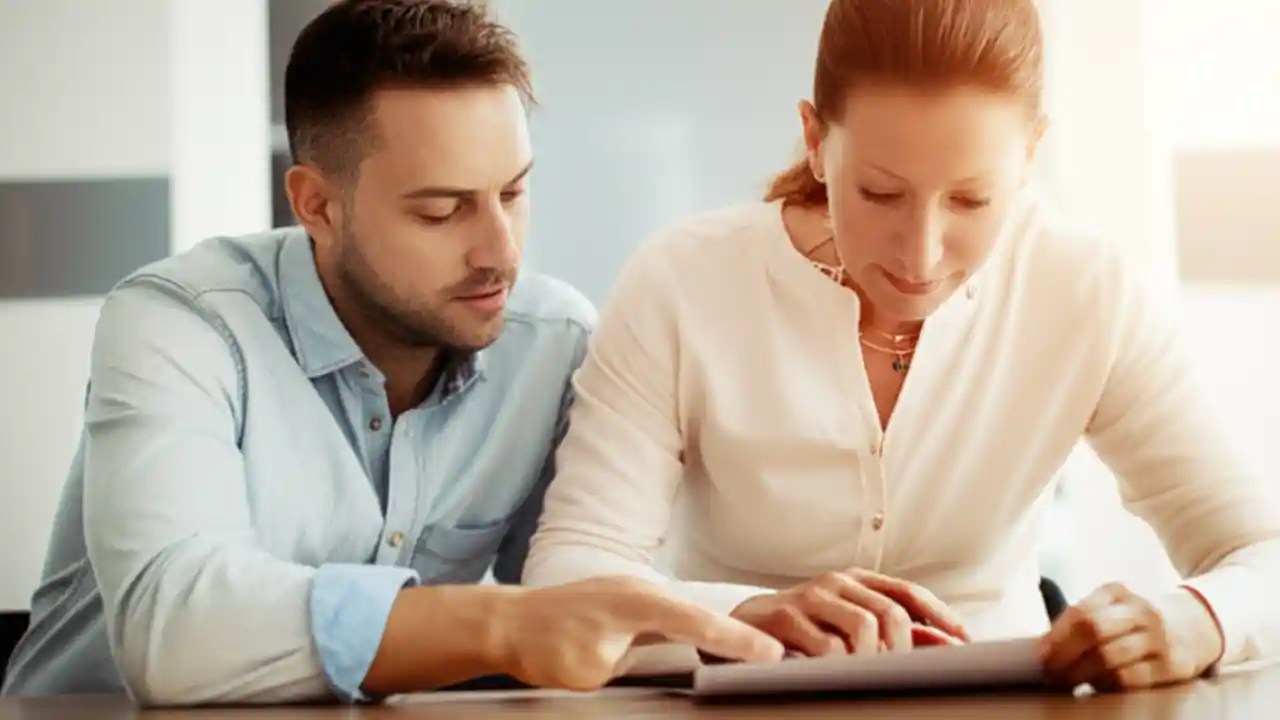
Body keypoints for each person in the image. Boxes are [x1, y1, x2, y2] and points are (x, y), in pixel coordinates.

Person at [1, 0, 781, 706]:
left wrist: (753, 618)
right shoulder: (180, 326)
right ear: (315, 205)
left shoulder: (549, 344)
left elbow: (579, 592)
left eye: (512, 193)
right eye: (441, 211)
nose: (500, 252)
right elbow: (173, 631)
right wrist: (501, 625)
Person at [523, 0, 1280, 693]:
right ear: (817, 143)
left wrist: (1197, 619)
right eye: (881, 194)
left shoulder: (1088, 293)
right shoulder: (681, 285)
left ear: (1031, 154)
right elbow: (566, 581)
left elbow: (1262, 552)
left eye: (971, 199)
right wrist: (747, 615)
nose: (921, 256)